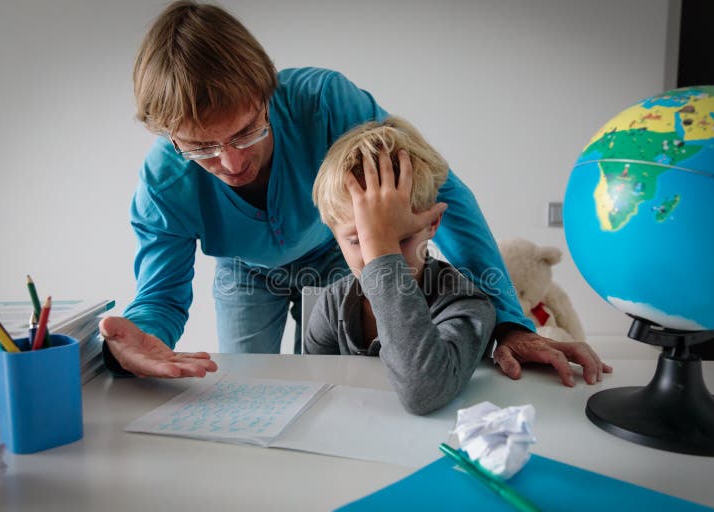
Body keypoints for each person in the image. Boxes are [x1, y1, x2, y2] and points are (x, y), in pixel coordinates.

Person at [99, 0, 612, 386]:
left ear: (267, 92)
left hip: (338, 253)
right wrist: (143, 337)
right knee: (246, 382)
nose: (231, 163)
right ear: (167, 136)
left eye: (246, 131)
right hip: (244, 272)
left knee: (352, 381)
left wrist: (508, 322)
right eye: (201, 149)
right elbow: (160, 299)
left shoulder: (323, 102)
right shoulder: (163, 184)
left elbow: (443, 196)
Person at [305, 117, 496, 415]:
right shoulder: (332, 304)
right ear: (334, 235)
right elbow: (317, 398)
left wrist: (384, 260)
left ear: (432, 223)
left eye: (399, 239)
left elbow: (424, 394)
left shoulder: (464, 303)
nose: (375, 256)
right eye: (359, 241)